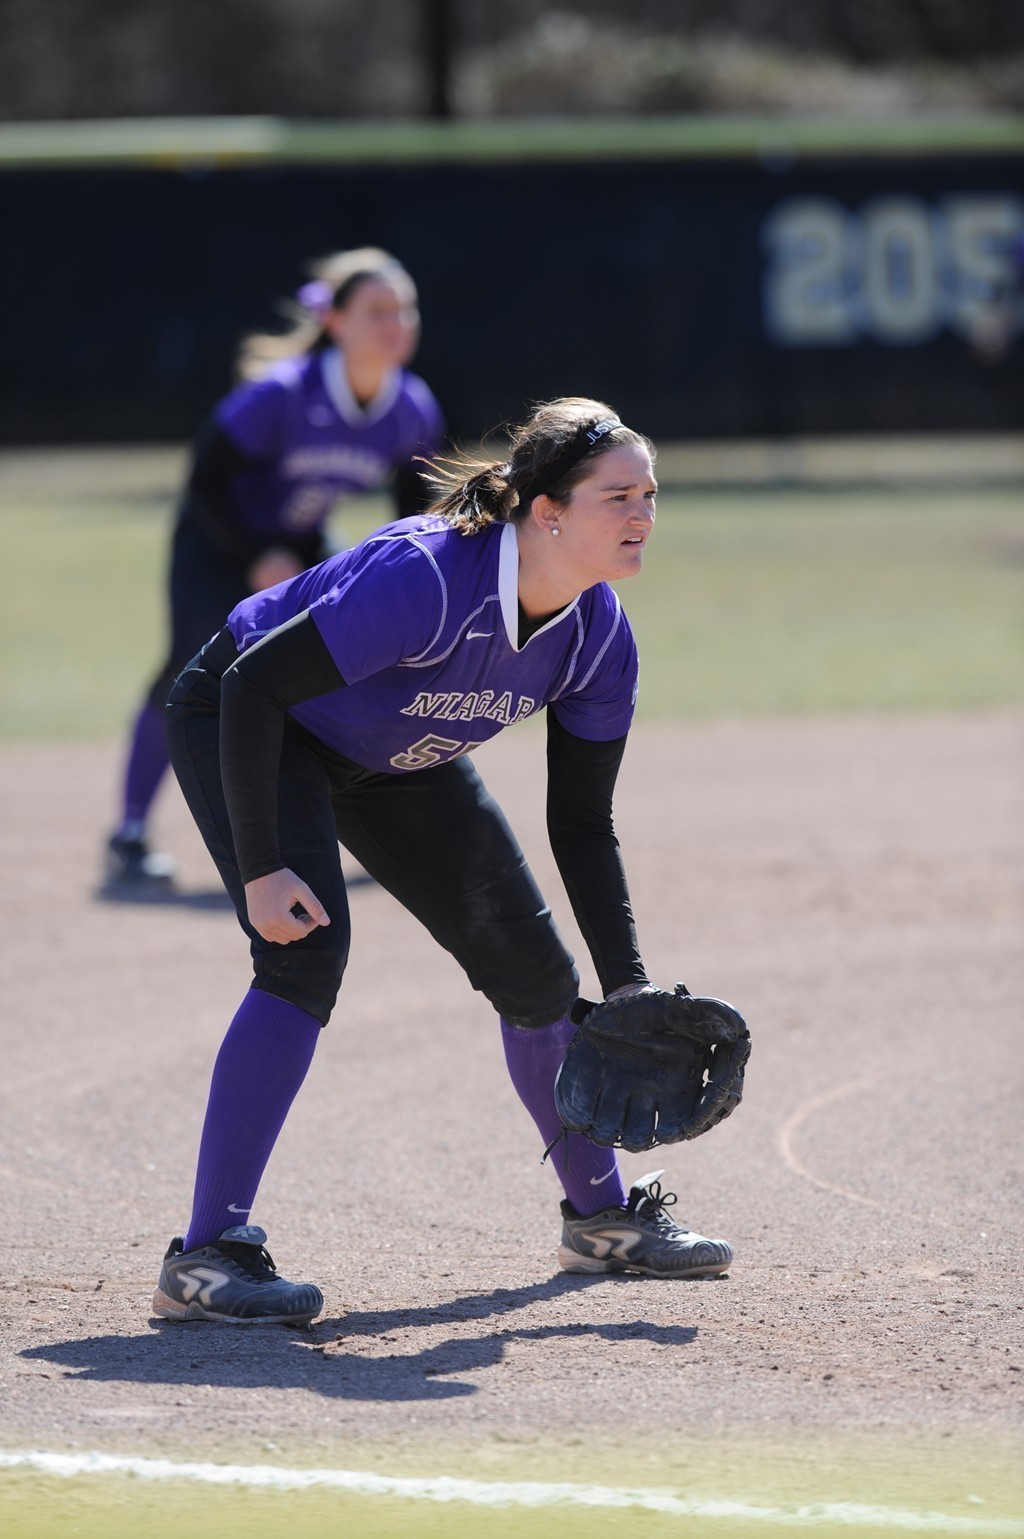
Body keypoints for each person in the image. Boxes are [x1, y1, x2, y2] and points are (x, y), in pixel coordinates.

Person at [151, 397, 734, 1327]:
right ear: (547, 511)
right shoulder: (429, 577)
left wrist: (626, 986)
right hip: (253, 720)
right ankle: (207, 1256)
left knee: (538, 976)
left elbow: (583, 823)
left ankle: (602, 1221)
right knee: (303, 954)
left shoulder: (597, 637)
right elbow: (253, 682)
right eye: (618, 495)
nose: (642, 516)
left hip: (396, 752)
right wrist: (263, 865)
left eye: (651, 495)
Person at [106, 246, 444, 886]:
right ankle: (129, 833)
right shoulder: (282, 394)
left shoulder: (412, 408)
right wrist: (254, 555)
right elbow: (205, 482)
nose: (395, 322)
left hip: (301, 544)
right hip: (217, 542)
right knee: (186, 667)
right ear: (337, 322)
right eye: (377, 309)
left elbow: (416, 520)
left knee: (357, 653)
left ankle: (379, 820)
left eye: (404, 309)